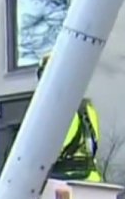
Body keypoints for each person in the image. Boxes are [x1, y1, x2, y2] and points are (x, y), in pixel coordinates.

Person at [37, 53, 102, 182]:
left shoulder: (57, 108)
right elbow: (93, 145)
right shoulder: (86, 107)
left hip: (65, 181)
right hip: (90, 178)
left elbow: (52, 149)